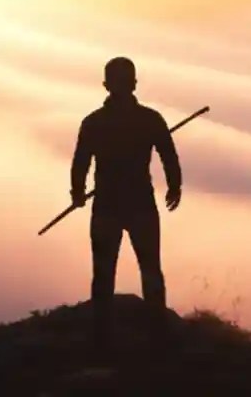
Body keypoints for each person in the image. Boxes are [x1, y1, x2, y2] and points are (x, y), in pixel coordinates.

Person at [71, 56, 182, 346]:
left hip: (108, 206)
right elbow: (168, 155)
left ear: (106, 85)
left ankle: (101, 335)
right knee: (150, 269)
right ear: (134, 83)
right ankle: (157, 333)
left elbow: (80, 162)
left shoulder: (94, 122)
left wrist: (78, 192)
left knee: (104, 273)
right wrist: (174, 186)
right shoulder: (149, 119)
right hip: (139, 206)